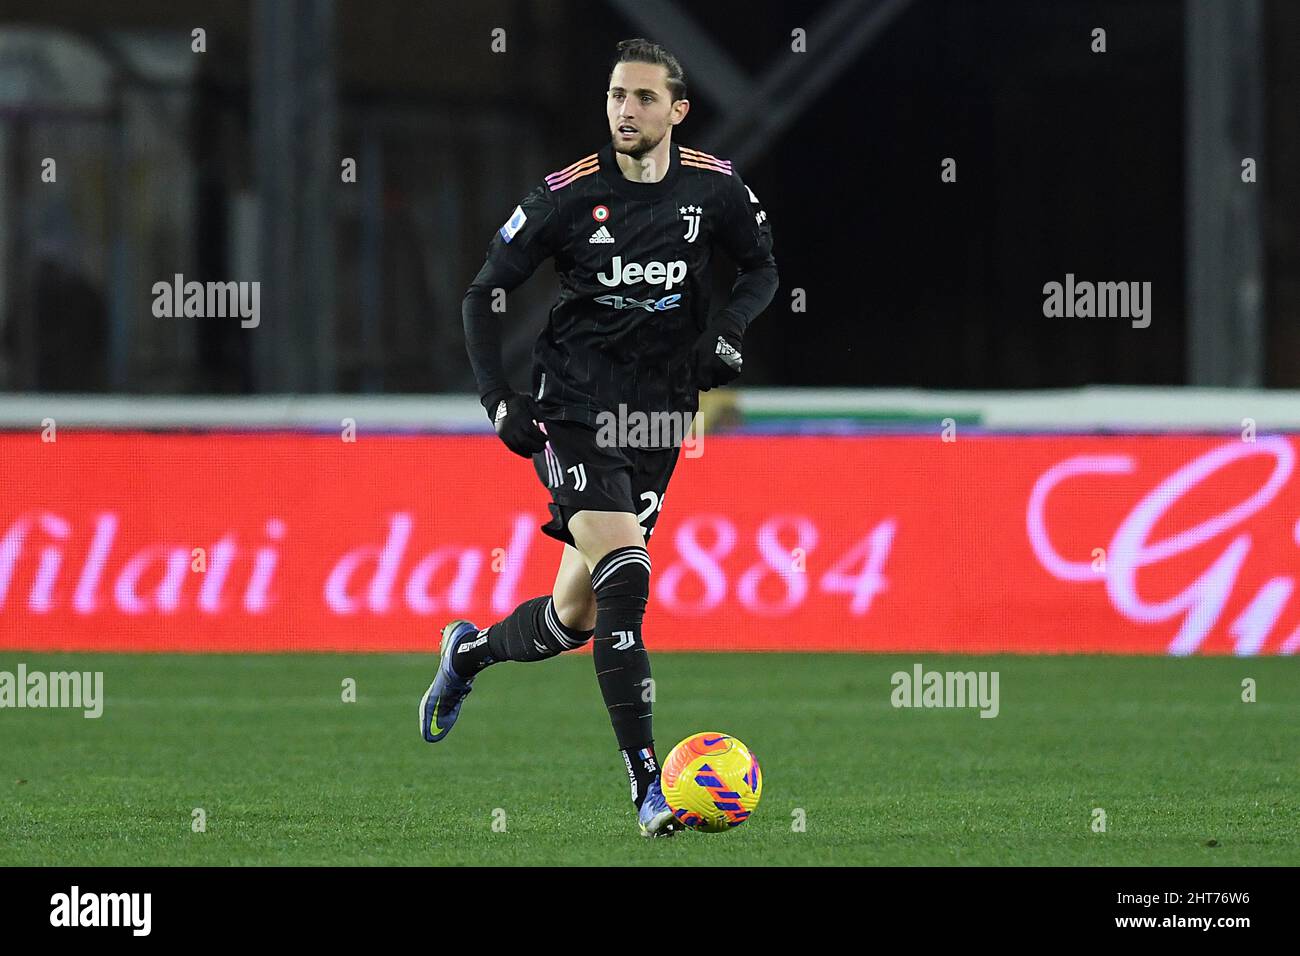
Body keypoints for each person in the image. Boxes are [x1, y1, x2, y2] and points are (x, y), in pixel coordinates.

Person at [420, 37, 778, 837]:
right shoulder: (564, 197)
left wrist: (728, 330)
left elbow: (762, 268)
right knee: (627, 573)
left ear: (677, 112)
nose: (627, 110)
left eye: (645, 98)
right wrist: (497, 401)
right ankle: (649, 788)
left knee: (574, 617)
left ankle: (468, 654)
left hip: (657, 418)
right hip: (574, 409)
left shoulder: (715, 191)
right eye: (618, 95)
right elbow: (484, 294)